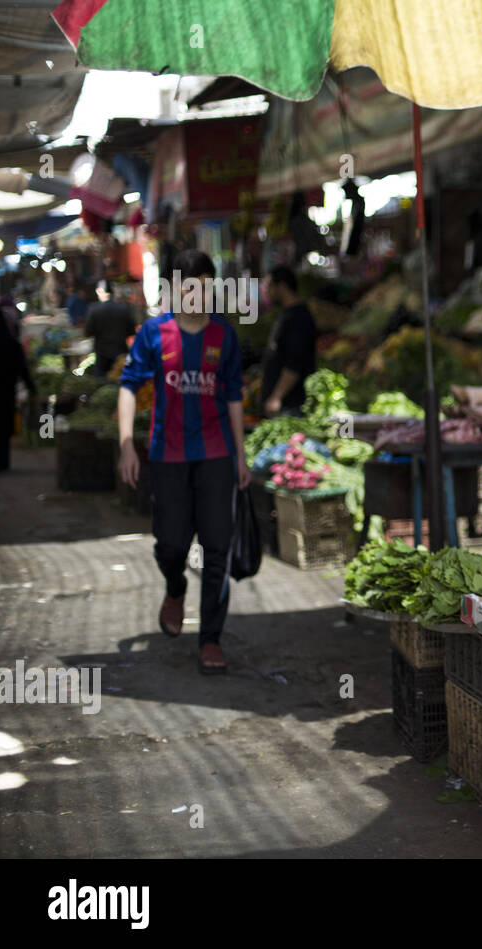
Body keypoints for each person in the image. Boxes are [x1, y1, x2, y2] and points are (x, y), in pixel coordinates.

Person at [117, 249, 250, 675]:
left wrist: (241, 456)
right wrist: (125, 444)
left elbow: (233, 397)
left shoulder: (225, 337)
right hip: (167, 455)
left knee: (217, 551)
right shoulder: (154, 334)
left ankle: (210, 638)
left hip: (216, 457)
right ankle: (174, 587)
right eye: (189, 286)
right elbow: (128, 386)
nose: (198, 295)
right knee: (170, 545)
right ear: (173, 290)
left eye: (206, 286)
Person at [261, 265, 317, 417]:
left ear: (282, 286)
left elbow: (294, 363)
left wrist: (276, 398)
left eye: (269, 286)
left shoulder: (299, 319)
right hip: (285, 406)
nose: (266, 291)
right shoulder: (287, 315)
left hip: (291, 407)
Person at [0, 313, 35, 472]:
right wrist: (31, 387)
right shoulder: (12, 344)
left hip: (7, 391)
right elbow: (22, 369)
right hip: (6, 392)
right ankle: (3, 462)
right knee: (4, 427)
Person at [83, 281, 136, 377]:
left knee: (102, 383)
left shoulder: (94, 309)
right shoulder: (123, 309)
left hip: (101, 353)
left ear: (99, 291)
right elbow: (131, 331)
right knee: (120, 379)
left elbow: (88, 332)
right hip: (120, 352)